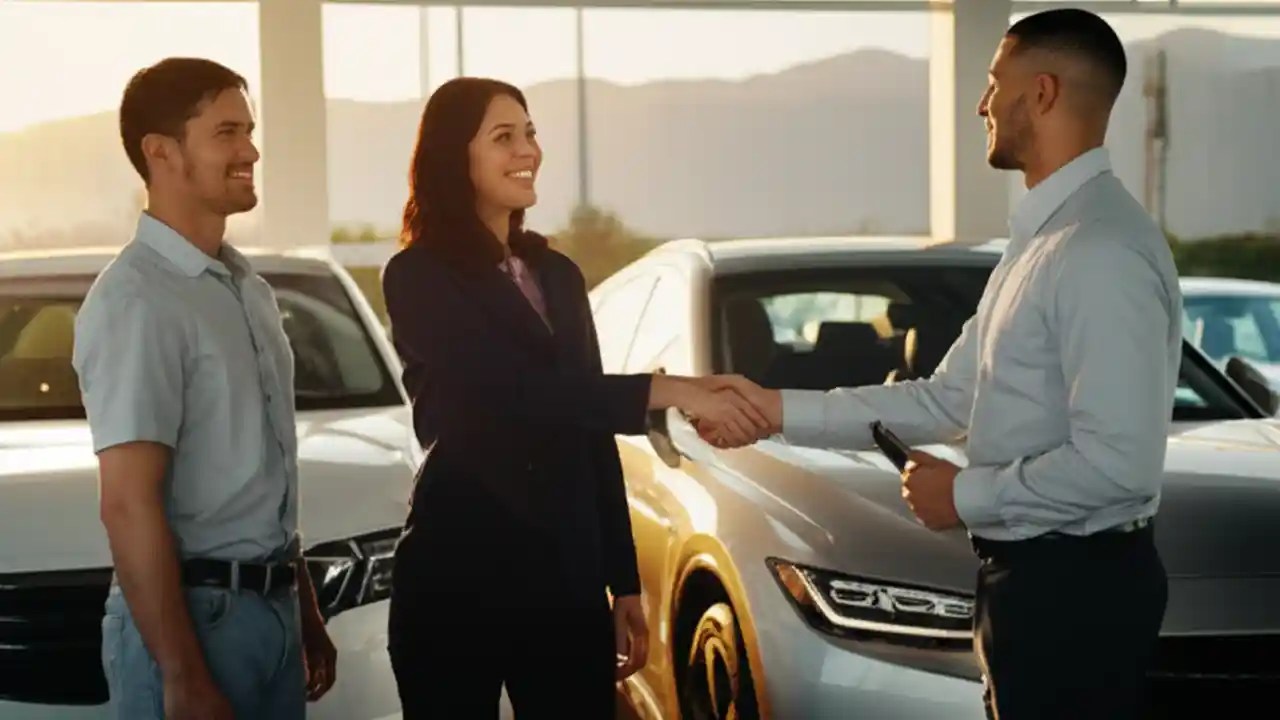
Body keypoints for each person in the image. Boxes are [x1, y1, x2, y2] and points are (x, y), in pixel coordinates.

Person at [700, 9, 1178, 719]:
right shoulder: (1044, 243)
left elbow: (1119, 464)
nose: (982, 103)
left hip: (1073, 594)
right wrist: (774, 409)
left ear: (1042, 93)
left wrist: (966, 494)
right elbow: (947, 399)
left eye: (994, 83)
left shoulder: (1096, 250)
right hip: (1039, 586)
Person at [380, 77, 767, 719]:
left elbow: (591, 430)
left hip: (564, 582)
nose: (527, 148)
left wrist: (622, 581)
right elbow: (509, 392)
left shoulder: (558, 276)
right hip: (456, 576)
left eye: (529, 132)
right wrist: (668, 389)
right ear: (456, 156)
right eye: (503, 136)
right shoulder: (417, 275)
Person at [72, 58, 336, 720]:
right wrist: (183, 675)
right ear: (161, 153)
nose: (251, 150)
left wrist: (300, 606)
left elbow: (256, 472)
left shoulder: (247, 291)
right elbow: (128, 505)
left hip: (268, 618)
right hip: (196, 628)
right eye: (226, 132)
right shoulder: (138, 299)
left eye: (249, 130)